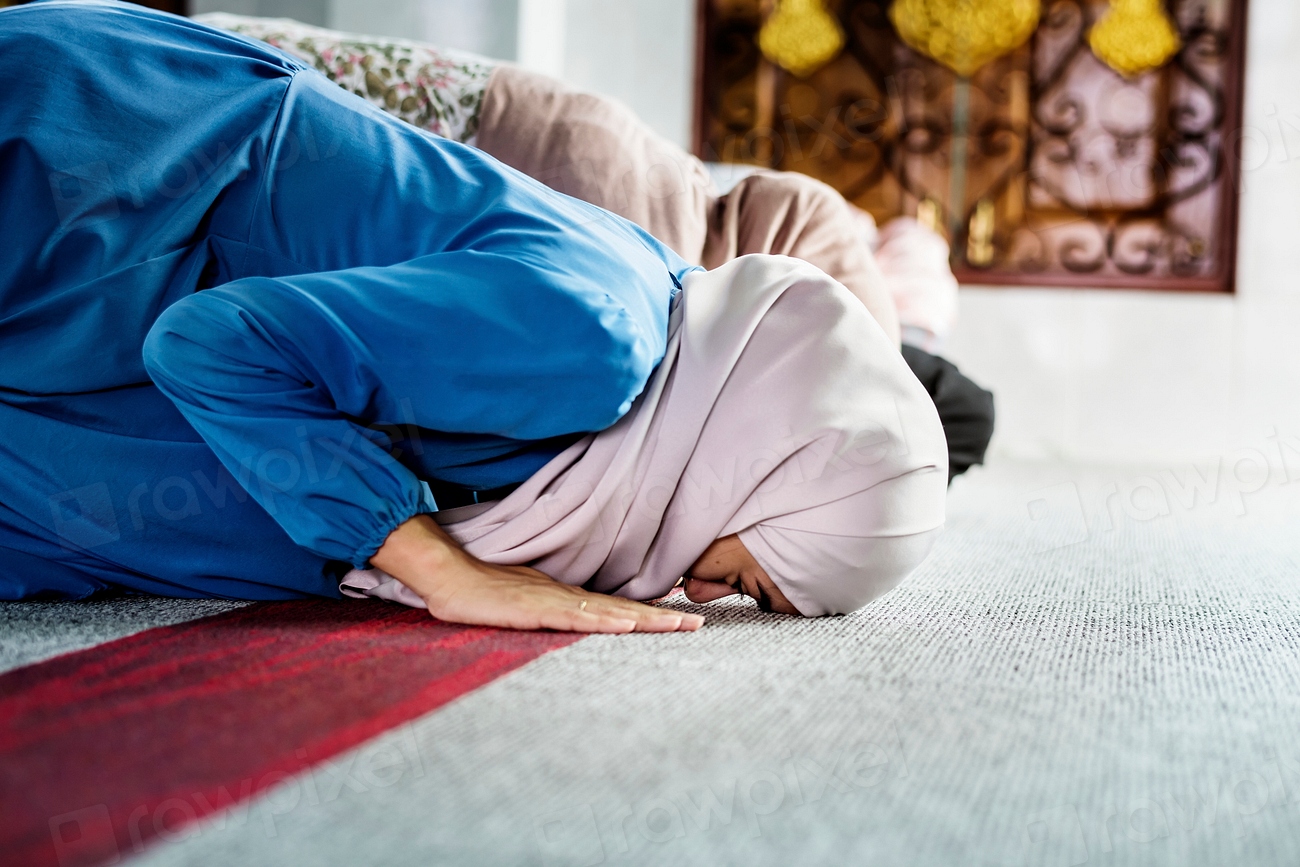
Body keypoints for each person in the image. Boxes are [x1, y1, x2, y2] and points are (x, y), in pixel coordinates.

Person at [0, 1, 948, 630]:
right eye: (742, 581)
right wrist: (444, 571)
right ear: (760, 460)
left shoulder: (640, 379)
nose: (697, 589)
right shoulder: (595, 343)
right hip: (99, 177)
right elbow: (211, 344)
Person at [197, 11, 996, 483]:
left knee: (267, 128)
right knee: (263, 131)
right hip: (571, 181)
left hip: (571, 152)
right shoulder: (847, 346)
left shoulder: (858, 317)